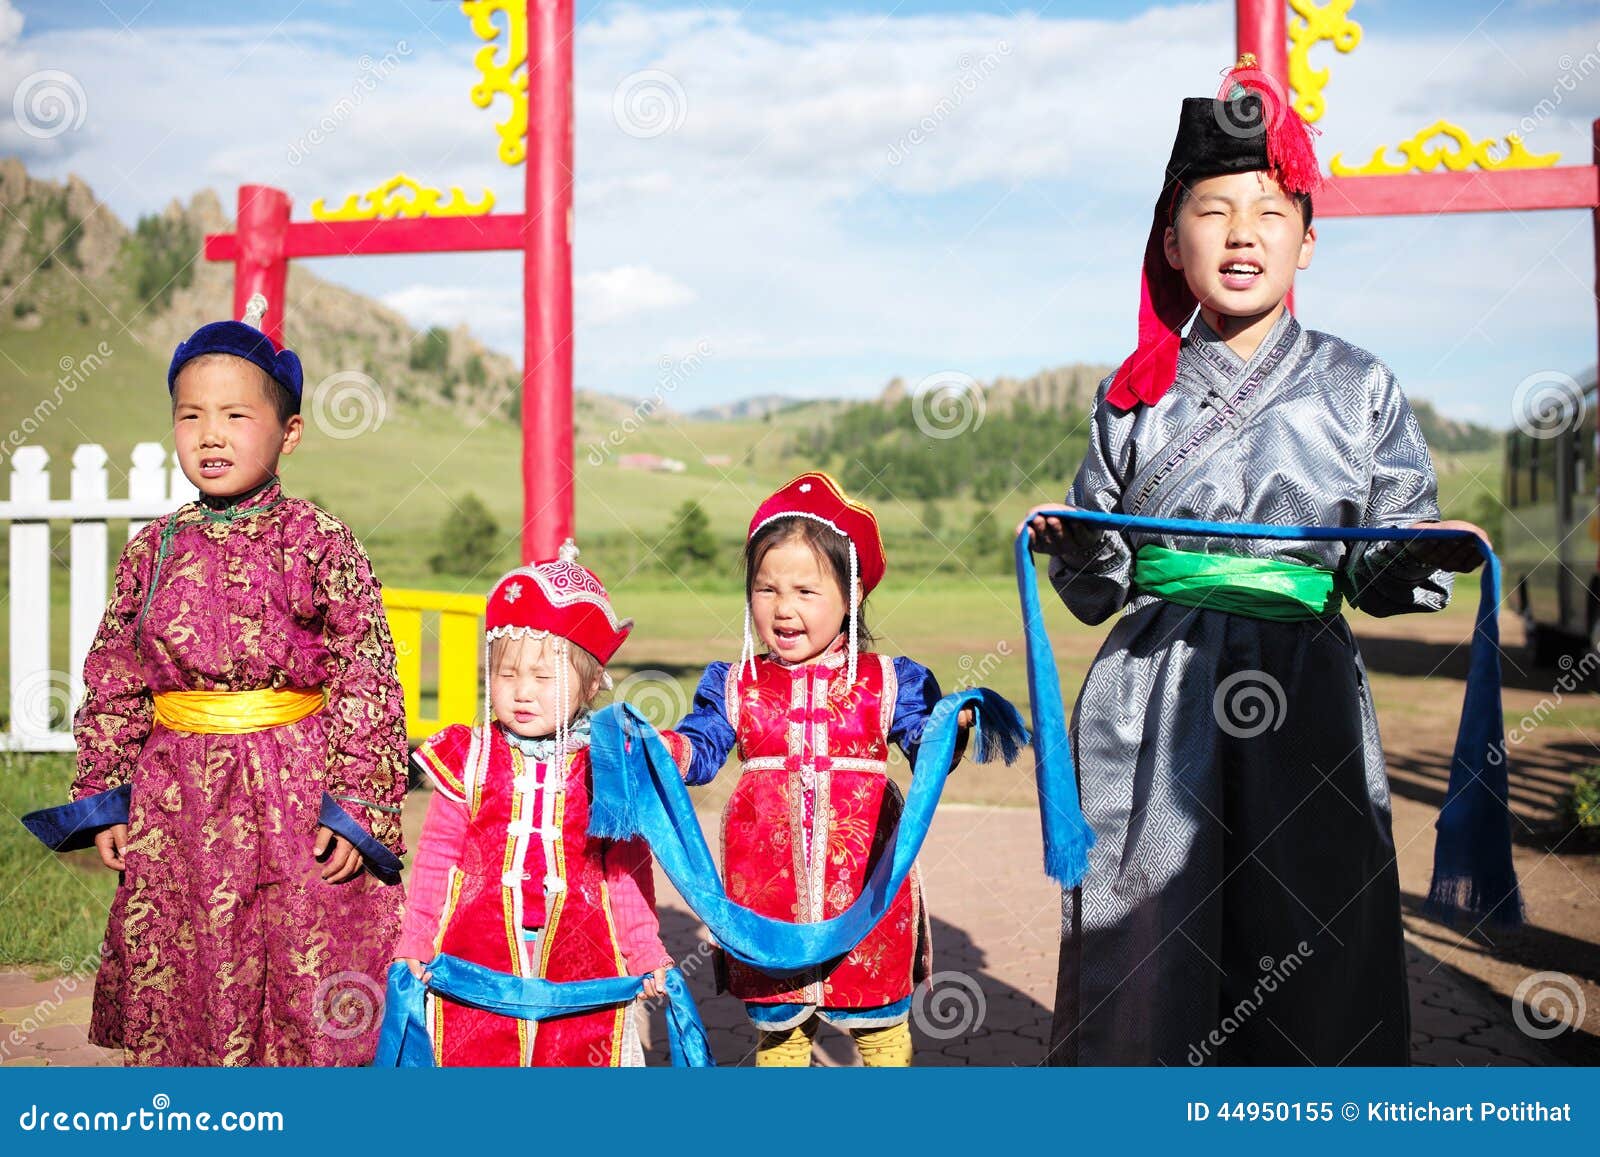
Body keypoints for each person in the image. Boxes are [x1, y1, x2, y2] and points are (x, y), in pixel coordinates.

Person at [1026, 57, 1489, 1066]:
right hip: (1149, 697)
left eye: (1271, 210)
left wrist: (1415, 555)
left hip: (1304, 686)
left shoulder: (1359, 385)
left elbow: (1387, 551)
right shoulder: (1130, 394)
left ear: (1308, 241)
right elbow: (1097, 581)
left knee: (1314, 929)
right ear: (1169, 240)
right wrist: (1077, 540)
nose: (1242, 232)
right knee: (1144, 927)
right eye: (1213, 209)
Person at [38, 294, 408, 1065]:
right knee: (188, 965)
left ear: (289, 432)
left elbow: (366, 674)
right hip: (178, 799)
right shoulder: (152, 549)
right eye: (190, 415)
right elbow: (114, 678)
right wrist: (107, 796)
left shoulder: (318, 540)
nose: (210, 434)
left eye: (236, 416)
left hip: (293, 790)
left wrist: (358, 806)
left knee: (303, 967)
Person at [673, 472, 970, 1066]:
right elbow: (699, 748)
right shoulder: (734, 684)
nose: (783, 609)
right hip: (768, 893)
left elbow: (924, 743)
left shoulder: (891, 680)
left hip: (866, 889)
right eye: (766, 589)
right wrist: (662, 749)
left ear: (851, 596)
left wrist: (950, 729)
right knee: (780, 1035)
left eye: (806, 592)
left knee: (880, 1030)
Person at [396, 544, 672, 1066]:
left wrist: (645, 949)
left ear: (591, 684)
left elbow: (626, 872)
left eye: (543, 678)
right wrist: (416, 937)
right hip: (477, 959)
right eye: (505, 675)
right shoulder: (471, 756)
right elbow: (437, 857)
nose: (521, 692)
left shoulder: (608, 765)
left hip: (583, 959)